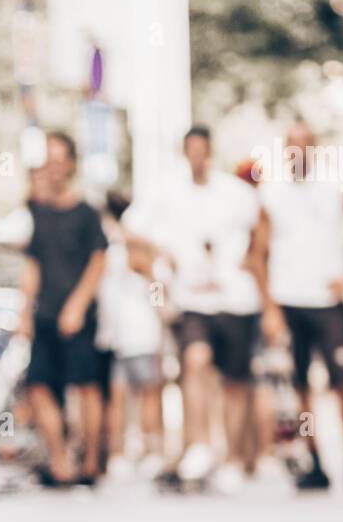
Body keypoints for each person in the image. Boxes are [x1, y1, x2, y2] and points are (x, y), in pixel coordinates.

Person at [253, 122, 343, 492]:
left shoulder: (335, 187)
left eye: (304, 145)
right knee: (299, 385)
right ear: (285, 151)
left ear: (313, 149)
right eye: (291, 146)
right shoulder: (272, 193)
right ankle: (314, 459)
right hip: (288, 300)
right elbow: (258, 255)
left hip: (327, 301)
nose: (297, 153)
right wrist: (269, 307)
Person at [137, 127, 265, 491]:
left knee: (235, 381)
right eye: (189, 150)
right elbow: (132, 235)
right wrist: (161, 266)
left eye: (201, 151)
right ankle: (199, 446)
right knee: (195, 361)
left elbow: (263, 233)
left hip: (236, 299)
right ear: (183, 153)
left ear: (209, 152)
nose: (196, 157)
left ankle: (232, 458)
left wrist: (252, 262)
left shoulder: (236, 194)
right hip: (192, 300)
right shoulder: (166, 192)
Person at [19, 132, 108, 487]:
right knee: (38, 385)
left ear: (71, 164)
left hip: (78, 315)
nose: (53, 169)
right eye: (48, 161)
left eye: (59, 161)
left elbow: (98, 261)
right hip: (45, 313)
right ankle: (59, 460)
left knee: (86, 386)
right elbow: (32, 265)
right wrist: (25, 311)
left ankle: (90, 463)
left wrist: (78, 305)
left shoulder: (86, 212)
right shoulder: (37, 211)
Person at [98, 190, 165, 478]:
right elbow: (157, 292)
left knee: (123, 394)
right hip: (138, 333)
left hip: (122, 333)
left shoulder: (112, 249)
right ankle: (146, 452)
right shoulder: (134, 250)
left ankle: (122, 454)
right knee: (144, 393)